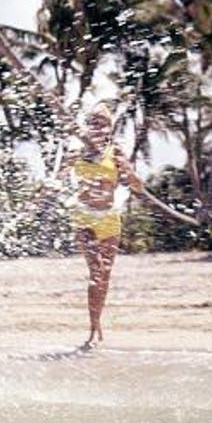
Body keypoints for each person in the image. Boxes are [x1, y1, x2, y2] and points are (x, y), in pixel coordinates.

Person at [64, 103, 145, 349]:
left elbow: (137, 187)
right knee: (96, 273)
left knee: (105, 277)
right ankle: (92, 331)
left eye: (102, 122)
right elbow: (57, 180)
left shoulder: (116, 153)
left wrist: (128, 172)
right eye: (93, 122)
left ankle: (96, 324)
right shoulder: (76, 153)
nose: (97, 126)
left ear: (109, 128)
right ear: (87, 126)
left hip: (109, 218)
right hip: (84, 217)